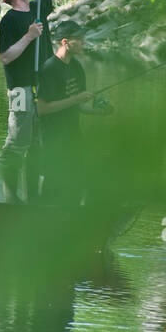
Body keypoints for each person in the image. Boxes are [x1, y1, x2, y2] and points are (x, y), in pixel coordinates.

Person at [0, 0, 65, 201]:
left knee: (38, 145)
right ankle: (10, 199)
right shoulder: (10, 20)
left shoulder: (37, 8)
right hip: (22, 89)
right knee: (17, 144)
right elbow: (5, 57)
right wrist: (28, 36)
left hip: (43, 87)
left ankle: (34, 199)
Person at [35, 19, 112, 203]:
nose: (84, 42)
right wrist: (75, 99)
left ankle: (70, 217)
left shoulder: (77, 68)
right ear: (65, 42)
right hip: (53, 135)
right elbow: (42, 109)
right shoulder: (50, 69)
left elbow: (77, 106)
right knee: (53, 178)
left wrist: (100, 112)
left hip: (73, 133)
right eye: (79, 38)